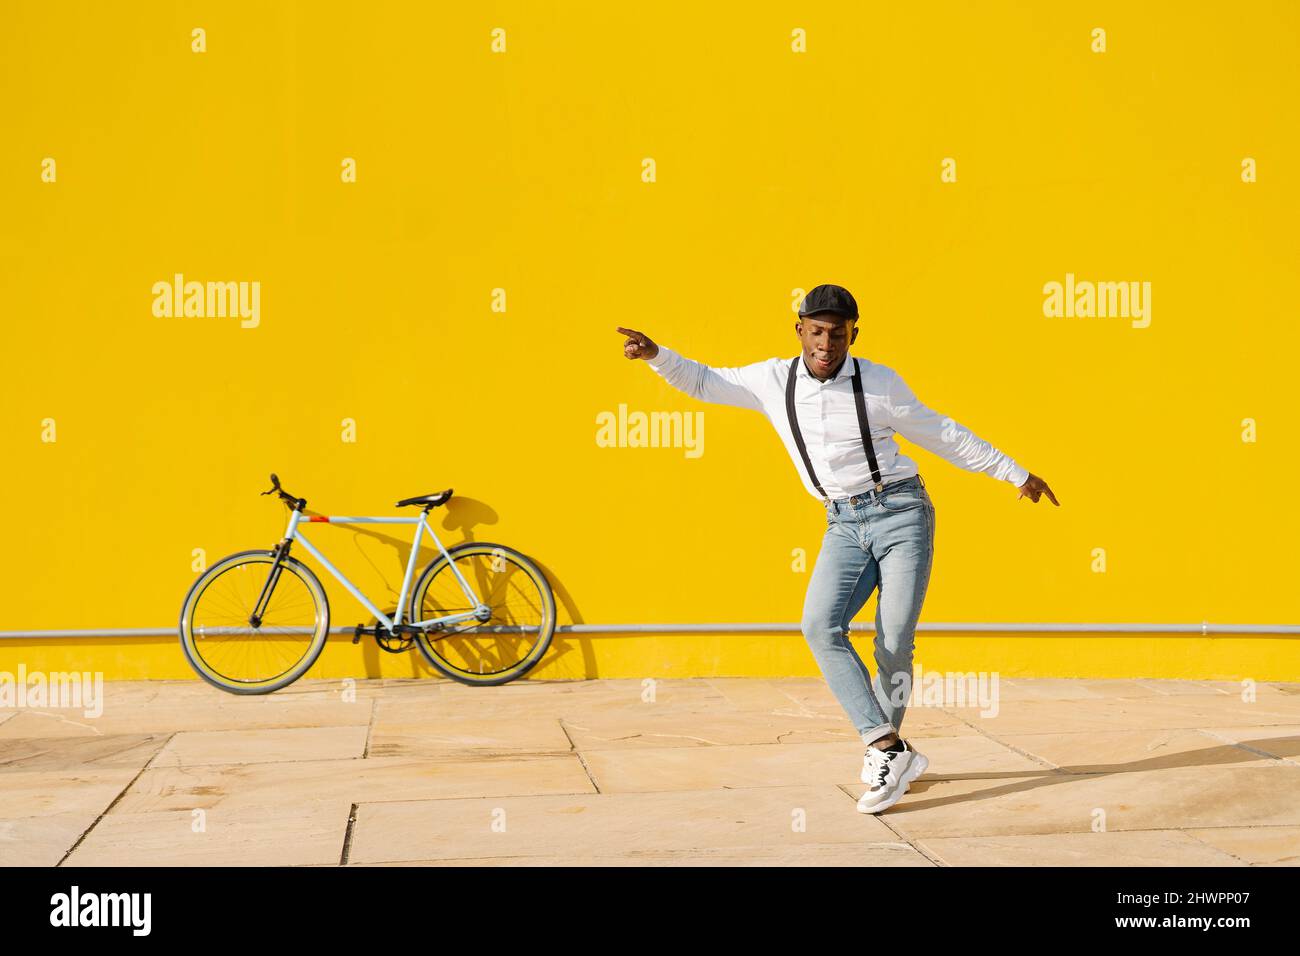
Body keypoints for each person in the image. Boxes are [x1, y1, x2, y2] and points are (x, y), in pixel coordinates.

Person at [616, 283, 1059, 814]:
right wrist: (656, 355)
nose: (827, 343)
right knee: (819, 626)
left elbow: (941, 432)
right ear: (800, 330)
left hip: (902, 513)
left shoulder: (879, 383)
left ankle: (884, 757)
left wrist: (1013, 471)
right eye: (818, 331)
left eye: (839, 333)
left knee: (894, 640)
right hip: (843, 523)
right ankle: (888, 746)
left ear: (854, 334)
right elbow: (704, 382)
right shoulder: (771, 380)